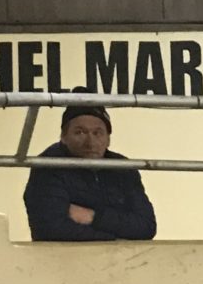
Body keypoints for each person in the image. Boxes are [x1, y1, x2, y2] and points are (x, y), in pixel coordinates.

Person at [23, 103, 157, 241]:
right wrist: (114, 239)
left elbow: (146, 227)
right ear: (63, 137)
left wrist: (92, 216)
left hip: (123, 260)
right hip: (60, 260)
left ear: (108, 139)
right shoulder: (48, 165)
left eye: (97, 133)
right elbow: (52, 229)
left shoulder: (122, 168)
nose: (90, 142)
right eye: (80, 132)